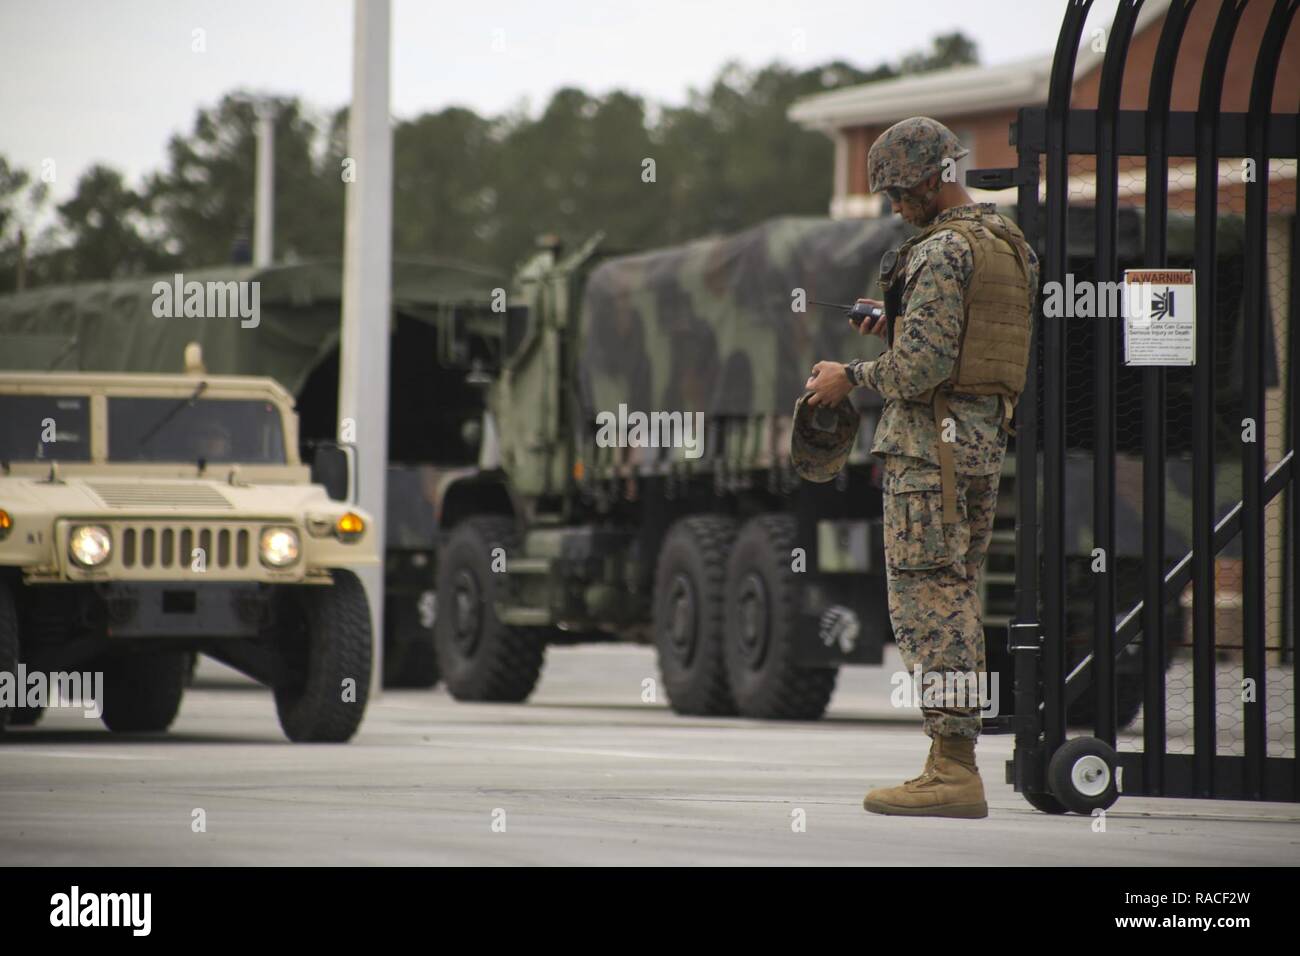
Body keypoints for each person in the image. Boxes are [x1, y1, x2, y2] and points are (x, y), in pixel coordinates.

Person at [803, 116, 1039, 819]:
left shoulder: (940, 253)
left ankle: (953, 770)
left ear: (935, 178)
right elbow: (965, 344)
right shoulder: (1007, 242)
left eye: (903, 192)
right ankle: (952, 762)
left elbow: (925, 366)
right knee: (956, 592)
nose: (896, 206)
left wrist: (849, 373)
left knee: (928, 606)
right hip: (976, 443)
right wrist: (897, 318)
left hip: (927, 452)